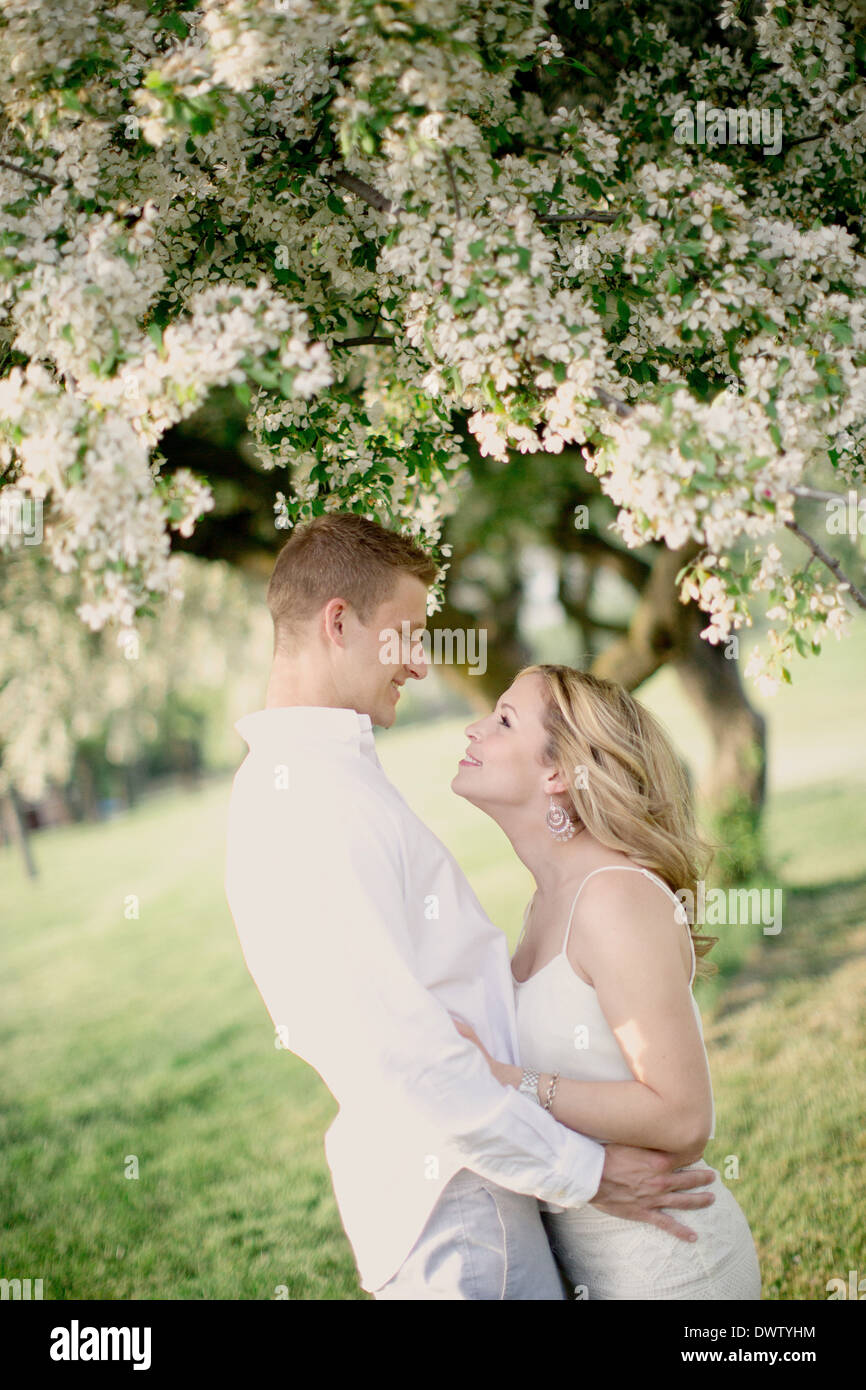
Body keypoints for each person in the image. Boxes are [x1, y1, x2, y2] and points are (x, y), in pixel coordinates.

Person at [224, 512, 716, 1301]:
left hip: (478, 1183)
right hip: (456, 1199)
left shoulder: (327, 780)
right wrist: (586, 1174)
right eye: (407, 634)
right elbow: (403, 1055)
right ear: (339, 622)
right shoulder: (308, 800)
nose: (422, 664)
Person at [450, 664, 762, 1299]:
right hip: (593, 1267)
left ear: (559, 772)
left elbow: (681, 1116)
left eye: (505, 719)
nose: (474, 728)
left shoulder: (613, 897)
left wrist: (512, 1083)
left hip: (673, 1270)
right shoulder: (547, 903)